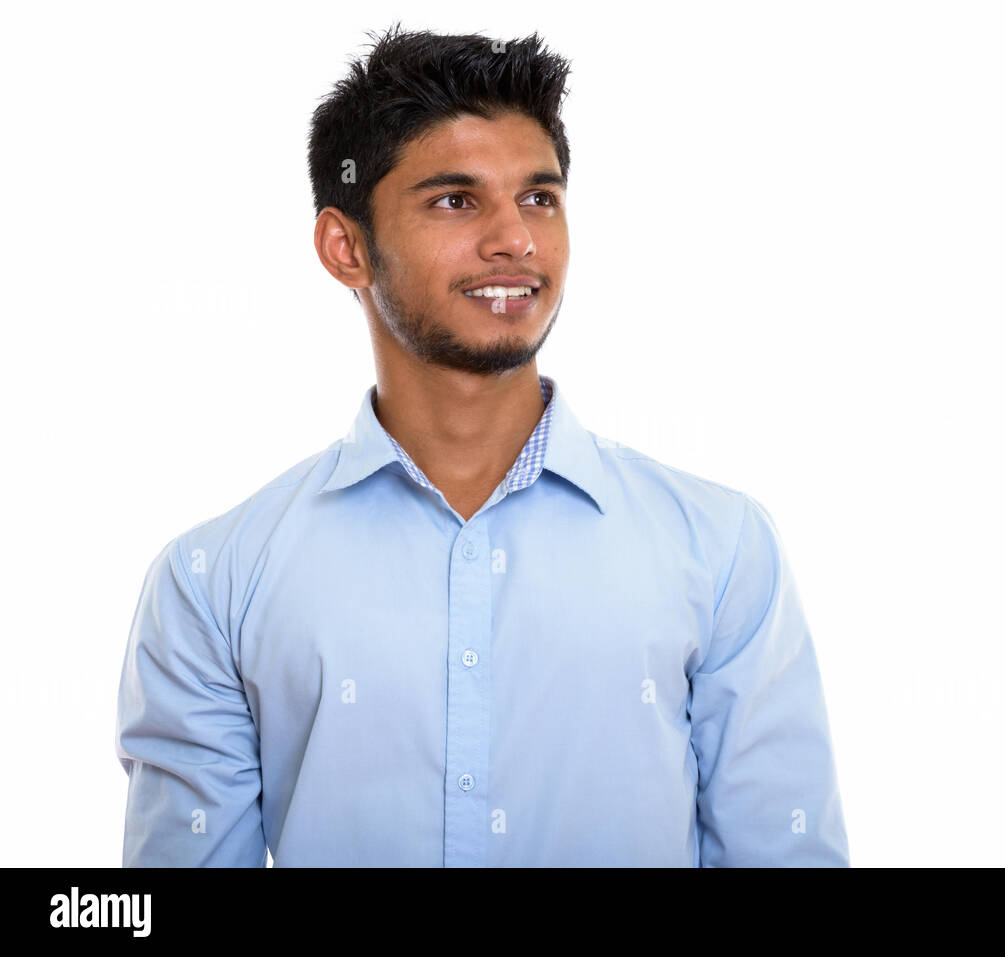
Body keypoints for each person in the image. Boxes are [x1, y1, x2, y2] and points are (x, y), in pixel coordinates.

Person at [115, 24, 850, 867]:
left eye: (539, 197)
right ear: (345, 247)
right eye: (455, 200)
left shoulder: (722, 549)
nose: (515, 239)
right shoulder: (215, 583)